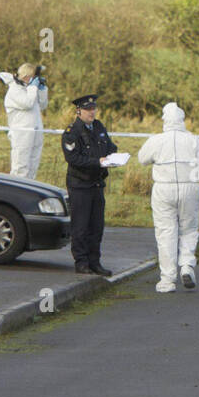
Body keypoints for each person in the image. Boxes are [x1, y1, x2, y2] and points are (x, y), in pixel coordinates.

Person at [137, 102, 199, 293]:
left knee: (166, 232)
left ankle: (167, 280)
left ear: (164, 120)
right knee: (189, 229)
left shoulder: (156, 140)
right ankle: (187, 265)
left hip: (164, 188)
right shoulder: (193, 140)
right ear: (182, 120)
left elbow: (142, 158)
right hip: (190, 187)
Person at [62, 94, 116, 276]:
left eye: (93, 109)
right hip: (80, 184)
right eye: (87, 109)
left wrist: (112, 157)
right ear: (79, 111)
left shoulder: (99, 127)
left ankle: (95, 262)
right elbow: (73, 158)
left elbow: (110, 146)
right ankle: (81, 262)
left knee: (96, 226)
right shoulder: (72, 132)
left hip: (96, 183)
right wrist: (97, 162)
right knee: (81, 226)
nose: (92, 112)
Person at [3, 63, 48, 179]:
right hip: (21, 133)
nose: (34, 80)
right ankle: (16, 193)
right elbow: (27, 103)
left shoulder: (29, 89)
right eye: (33, 77)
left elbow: (43, 105)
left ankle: (30, 191)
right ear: (26, 76)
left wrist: (42, 89)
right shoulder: (14, 90)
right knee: (20, 167)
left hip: (36, 131)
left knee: (33, 165)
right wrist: (33, 87)